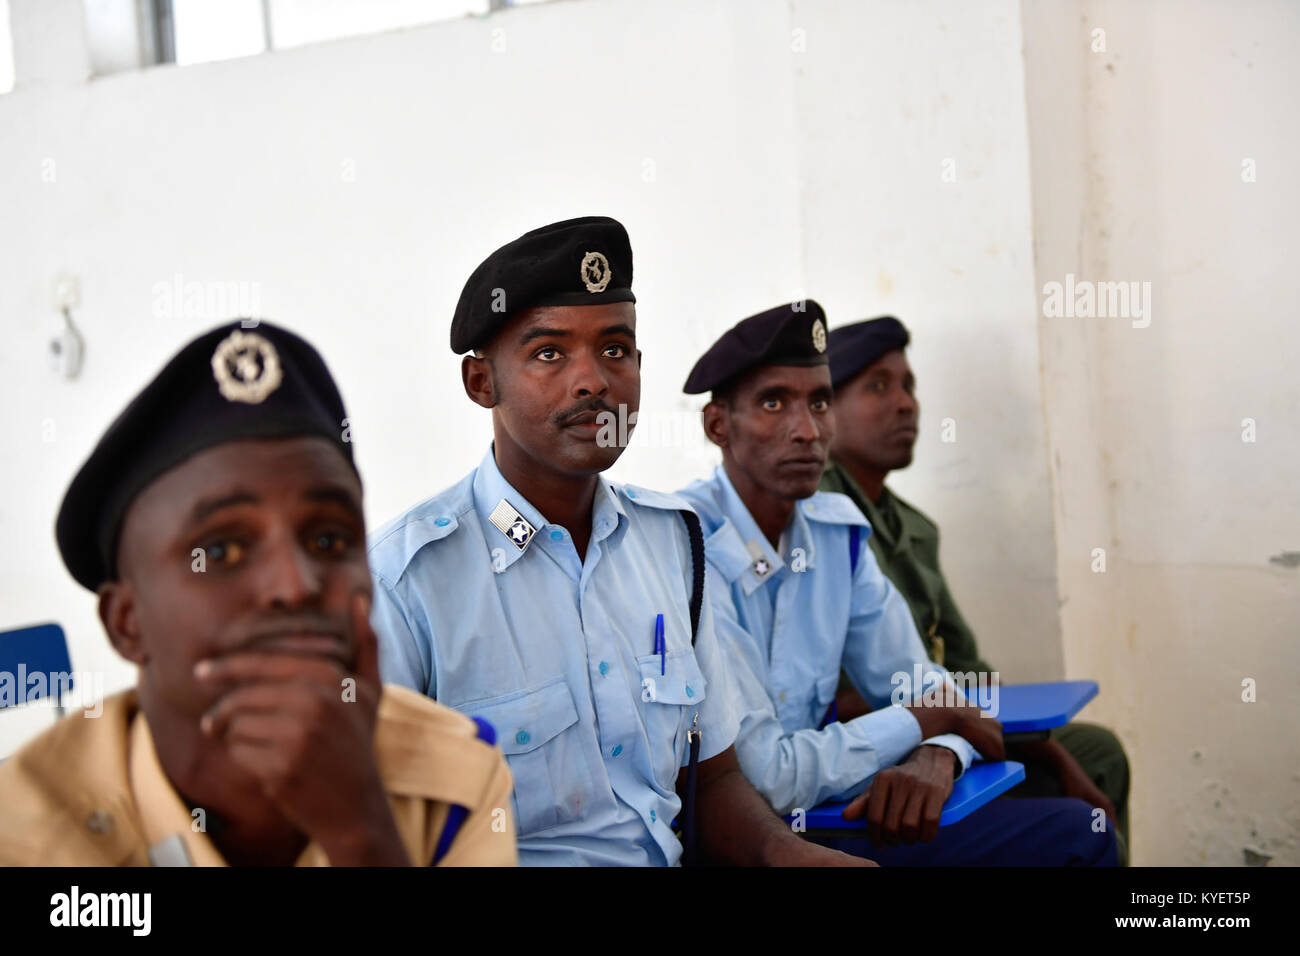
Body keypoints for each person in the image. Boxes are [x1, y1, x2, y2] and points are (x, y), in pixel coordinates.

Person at [368, 217, 864, 866]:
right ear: (480, 383)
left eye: (614, 349)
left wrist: (786, 853)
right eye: (549, 353)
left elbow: (713, 780)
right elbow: (377, 836)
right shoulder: (407, 581)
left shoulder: (672, 545)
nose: (594, 382)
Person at [0, 321, 515, 866]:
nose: (296, 586)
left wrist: (361, 830)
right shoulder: (26, 835)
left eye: (327, 538)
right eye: (221, 552)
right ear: (127, 623)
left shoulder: (454, 774)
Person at [676, 301, 1118, 865]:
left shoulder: (837, 536)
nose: (807, 431)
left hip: (832, 806)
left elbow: (929, 689)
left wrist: (937, 752)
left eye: (820, 402)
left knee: (1076, 830)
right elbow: (767, 776)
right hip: (743, 838)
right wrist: (925, 721)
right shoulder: (686, 546)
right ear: (718, 426)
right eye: (773, 403)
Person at [821, 316, 1130, 843]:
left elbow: (969, 670)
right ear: (825, 411)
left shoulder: (915, 529)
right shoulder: (819, 516)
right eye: (877, 386)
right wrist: (958, 722)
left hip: (941, 722)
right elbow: (834, 697)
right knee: (1074, 806)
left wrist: (1041, 743)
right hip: (865, 745)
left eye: (909, 387)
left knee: (1096, 751)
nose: (906, 404)